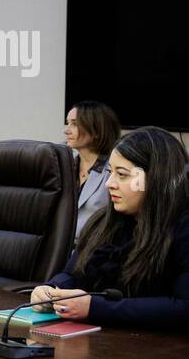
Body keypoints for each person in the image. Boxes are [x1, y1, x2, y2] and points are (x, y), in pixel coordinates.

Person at [32, 127, 189, 330]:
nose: (109, 184)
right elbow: (74, 273)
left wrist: (95, 308)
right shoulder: (104, 221)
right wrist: (52, 289)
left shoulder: (182, 228)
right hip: (99, 343)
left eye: (122, 175)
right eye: (109, 173)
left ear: (155, 178)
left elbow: (184, 308)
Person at [64, 100, 122, 238]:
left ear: (96, 130)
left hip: (94, 250)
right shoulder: (63, 166)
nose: (66, 130)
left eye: (74, 124)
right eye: (68, 123)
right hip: (59, 248)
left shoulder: (116, 171)